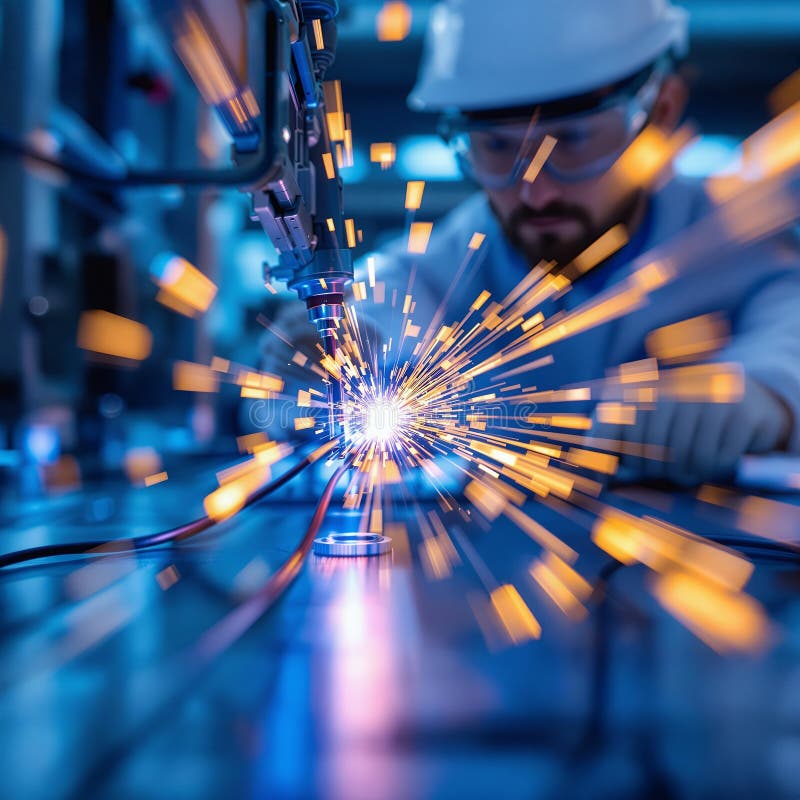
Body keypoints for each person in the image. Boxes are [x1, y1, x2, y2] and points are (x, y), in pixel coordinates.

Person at [261, 0, 800, 486]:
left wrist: (770, 395)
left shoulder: (746, 241)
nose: (536, 192)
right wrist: (323, 365)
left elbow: (789, 334)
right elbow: (386, 312)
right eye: (495, 147)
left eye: (573, 140)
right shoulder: (442, 264)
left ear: (660, 113)